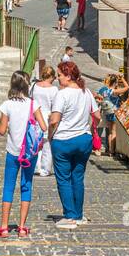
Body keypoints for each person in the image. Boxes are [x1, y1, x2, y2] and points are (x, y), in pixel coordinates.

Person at [0, 70, 48, 237]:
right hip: (29, 153)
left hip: (13, 152)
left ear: (12, 84)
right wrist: (38, 143)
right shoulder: (33, 104)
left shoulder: (7, 105)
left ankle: (4, 227)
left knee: (8, 187)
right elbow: (43, 127)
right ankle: (21, 228)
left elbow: (2, 130)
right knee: (26, 186)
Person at [48, 60, 100, 230]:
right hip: (84, 139)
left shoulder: (62, 94)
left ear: (68, 76)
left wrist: (50, 135)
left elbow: (55, 120)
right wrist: (90, 127)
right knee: (78, 177)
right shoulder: (86, 92)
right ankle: (78, 215)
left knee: (63, 178)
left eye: (60, 76)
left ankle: (69, 216)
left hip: (64, 140)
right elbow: (97, 115)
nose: (58, 79)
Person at [31, 65, 58, 177]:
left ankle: (35, 166)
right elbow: (56, 106)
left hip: (35, 118)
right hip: (47, 118)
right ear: (51, 76)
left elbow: (30, 100)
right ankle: (45, 169)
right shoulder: (54, 89)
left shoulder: (33, 86)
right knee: (47, 144)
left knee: (35, 144)